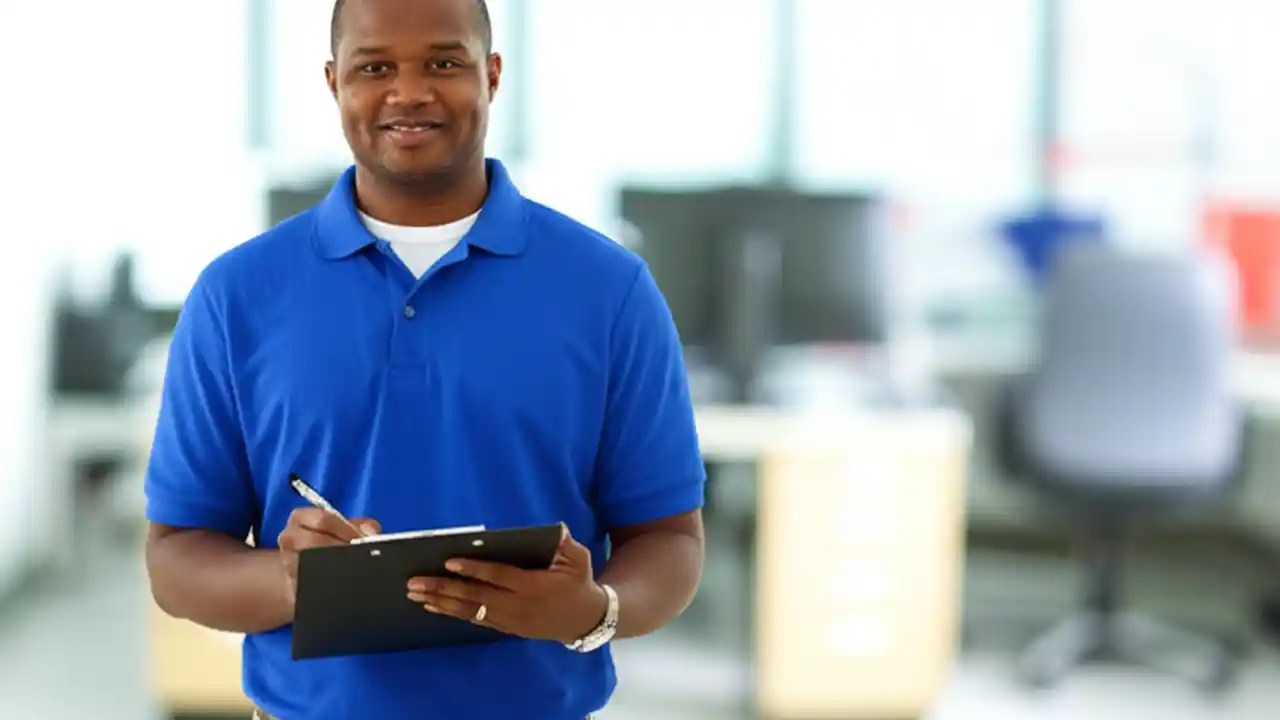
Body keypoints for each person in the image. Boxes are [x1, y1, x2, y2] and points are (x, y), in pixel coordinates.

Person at [142, 0, 707, 717]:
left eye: (444, 63)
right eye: (374, 67)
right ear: (333, 83)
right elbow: (176, 557)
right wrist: (294, 580)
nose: (409, 92)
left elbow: (669, 541)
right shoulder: (236, 295)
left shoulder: (610, 290)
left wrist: (593, 610)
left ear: (492, 75)